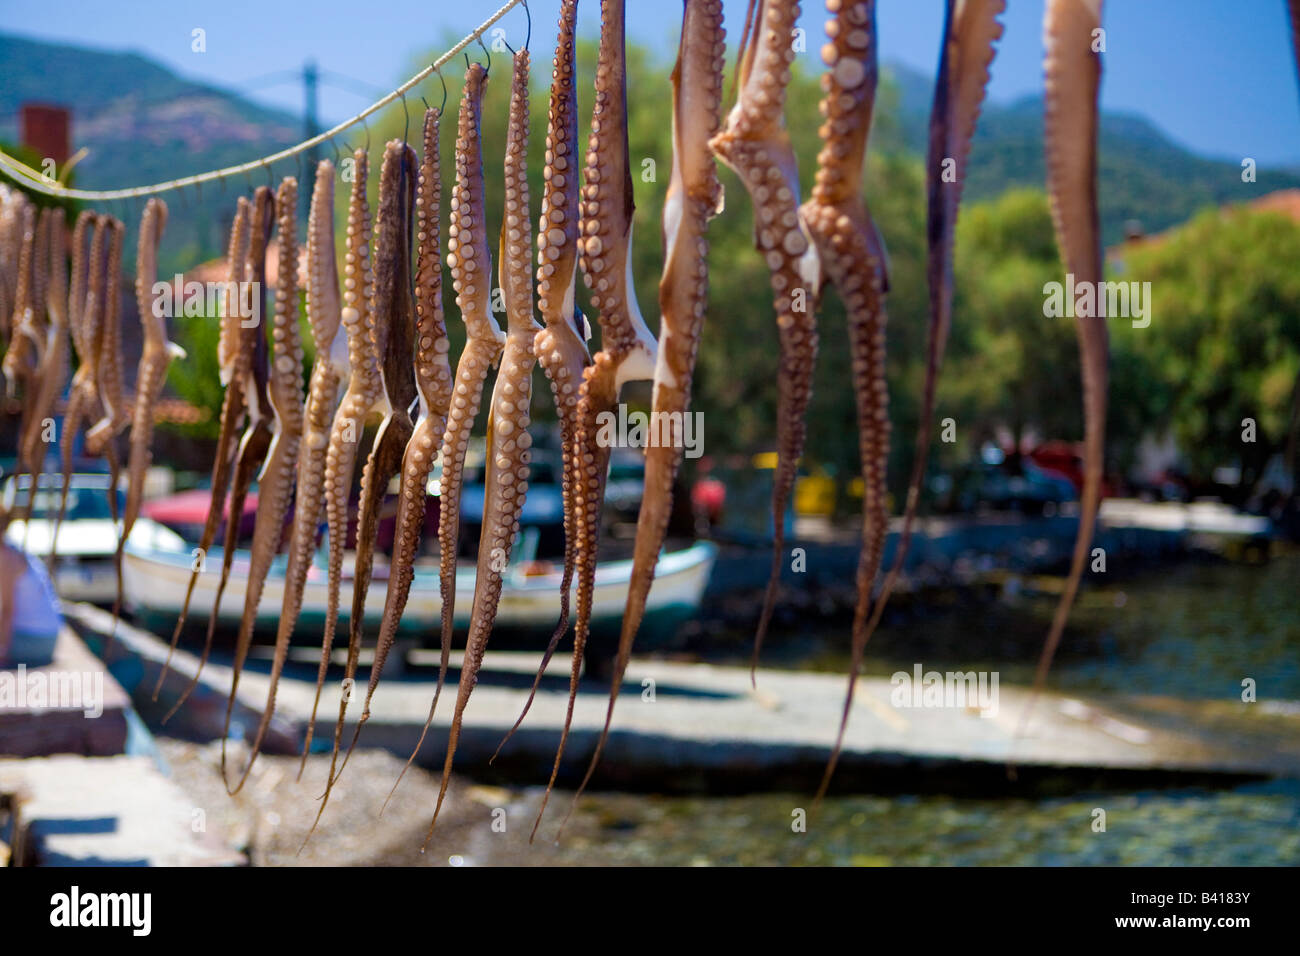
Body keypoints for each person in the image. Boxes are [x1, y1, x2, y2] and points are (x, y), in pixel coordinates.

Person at [0, 504, 62, 668]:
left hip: (35, 640)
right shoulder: (11, 549)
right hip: (44, 636)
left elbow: (7, 610)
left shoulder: (5, 557)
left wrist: (2, 653)